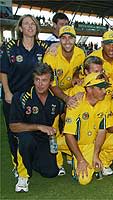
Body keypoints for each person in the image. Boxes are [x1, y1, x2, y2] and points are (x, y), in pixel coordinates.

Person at [0, 14, 49, 177]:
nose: (30, 26)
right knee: (14, 132)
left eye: (33, 24)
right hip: (13, 97)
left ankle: (36, 160)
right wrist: (7, 92)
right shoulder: (10, 47)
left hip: (35, 98)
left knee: (36, 130)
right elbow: (3, 71)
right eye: (26, 24)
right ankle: (16, 163)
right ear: (20, 28)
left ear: (36, 28)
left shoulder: (44, 48)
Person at [9, 63, 64, 192]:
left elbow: (56, 129)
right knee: (26, 141)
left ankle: (32, 159)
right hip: (26, 136)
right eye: (37, 80)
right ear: (33, 80)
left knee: (51, 172)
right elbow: (13, 126)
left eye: (44, 80)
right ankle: (22, 175)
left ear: (51, 82)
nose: (40, 84)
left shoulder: (56, 101)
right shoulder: (21, 97)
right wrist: (39, 126)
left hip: (44, 140)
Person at [64, 73, 112, 185]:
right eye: (100, 88)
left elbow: (102, 131)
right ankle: (74, 158)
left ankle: (100, 159)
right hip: (79, 144)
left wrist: (95, 154)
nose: (104, 91)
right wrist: (81, 160)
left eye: (105, 88)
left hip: (93, 143)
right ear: (89, 89)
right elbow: (69, 135)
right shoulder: (76, 103)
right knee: (84, 180)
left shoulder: (105, 103)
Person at [43, 25, 85, 107]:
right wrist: (66, 98)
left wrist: (76, 76)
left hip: (70, 89)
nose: (67, 41)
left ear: (75, 39)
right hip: (52, 92)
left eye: (70, 38)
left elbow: (79, 69)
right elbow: (51, 84)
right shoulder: (51, 56)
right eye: (63, 38)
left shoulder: (80, 53)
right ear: (59, 40)